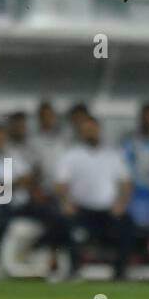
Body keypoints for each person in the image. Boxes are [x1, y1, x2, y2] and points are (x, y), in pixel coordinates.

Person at [52, 115, 133, 280]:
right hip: (81, 210)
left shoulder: (113, 155)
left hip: (108, 211)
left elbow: (125, 183)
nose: (91, 133)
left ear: (99, 130)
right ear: (81, 133)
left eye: (93, 129)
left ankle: (120, 272)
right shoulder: (71, 156)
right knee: (65, 223)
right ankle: (73, 270)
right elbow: (60, 184)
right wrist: (66, 203)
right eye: (86, 130)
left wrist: (121, 204)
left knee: (127, 224)